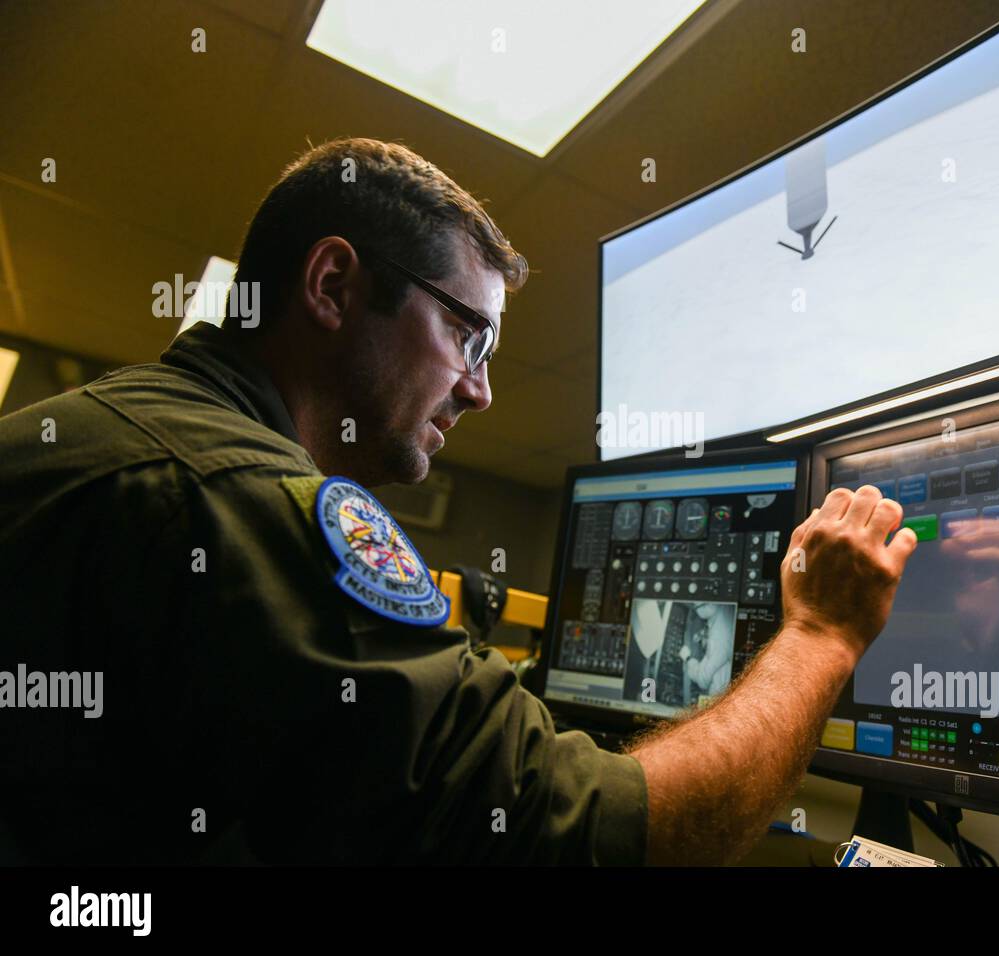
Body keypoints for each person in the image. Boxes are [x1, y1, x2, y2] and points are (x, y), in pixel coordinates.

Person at [0, 138, 916, 865]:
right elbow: (584, 838)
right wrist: (820, 636)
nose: (479, 392)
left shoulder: (113, 434)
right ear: (332, 286)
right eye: (467, 336)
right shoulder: (248, 500)